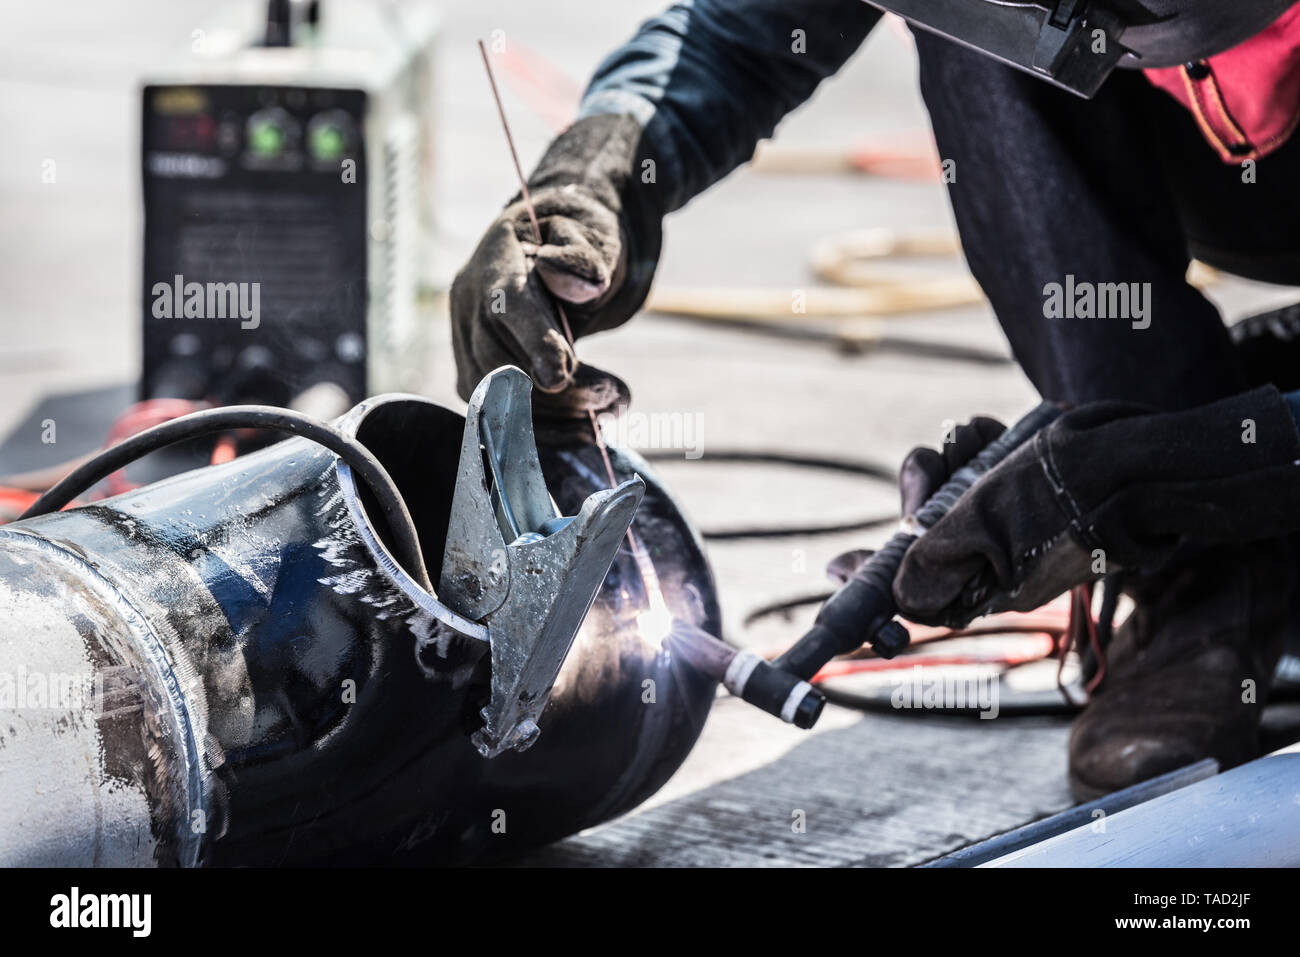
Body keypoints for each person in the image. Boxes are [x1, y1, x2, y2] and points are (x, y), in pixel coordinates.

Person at [449, 0, 1300, 798]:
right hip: (1199, 143)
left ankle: (1210, 520)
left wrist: (1170, 470)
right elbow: (739, 33)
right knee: (989, 31)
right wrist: (591, 177)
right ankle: (1202, 577)